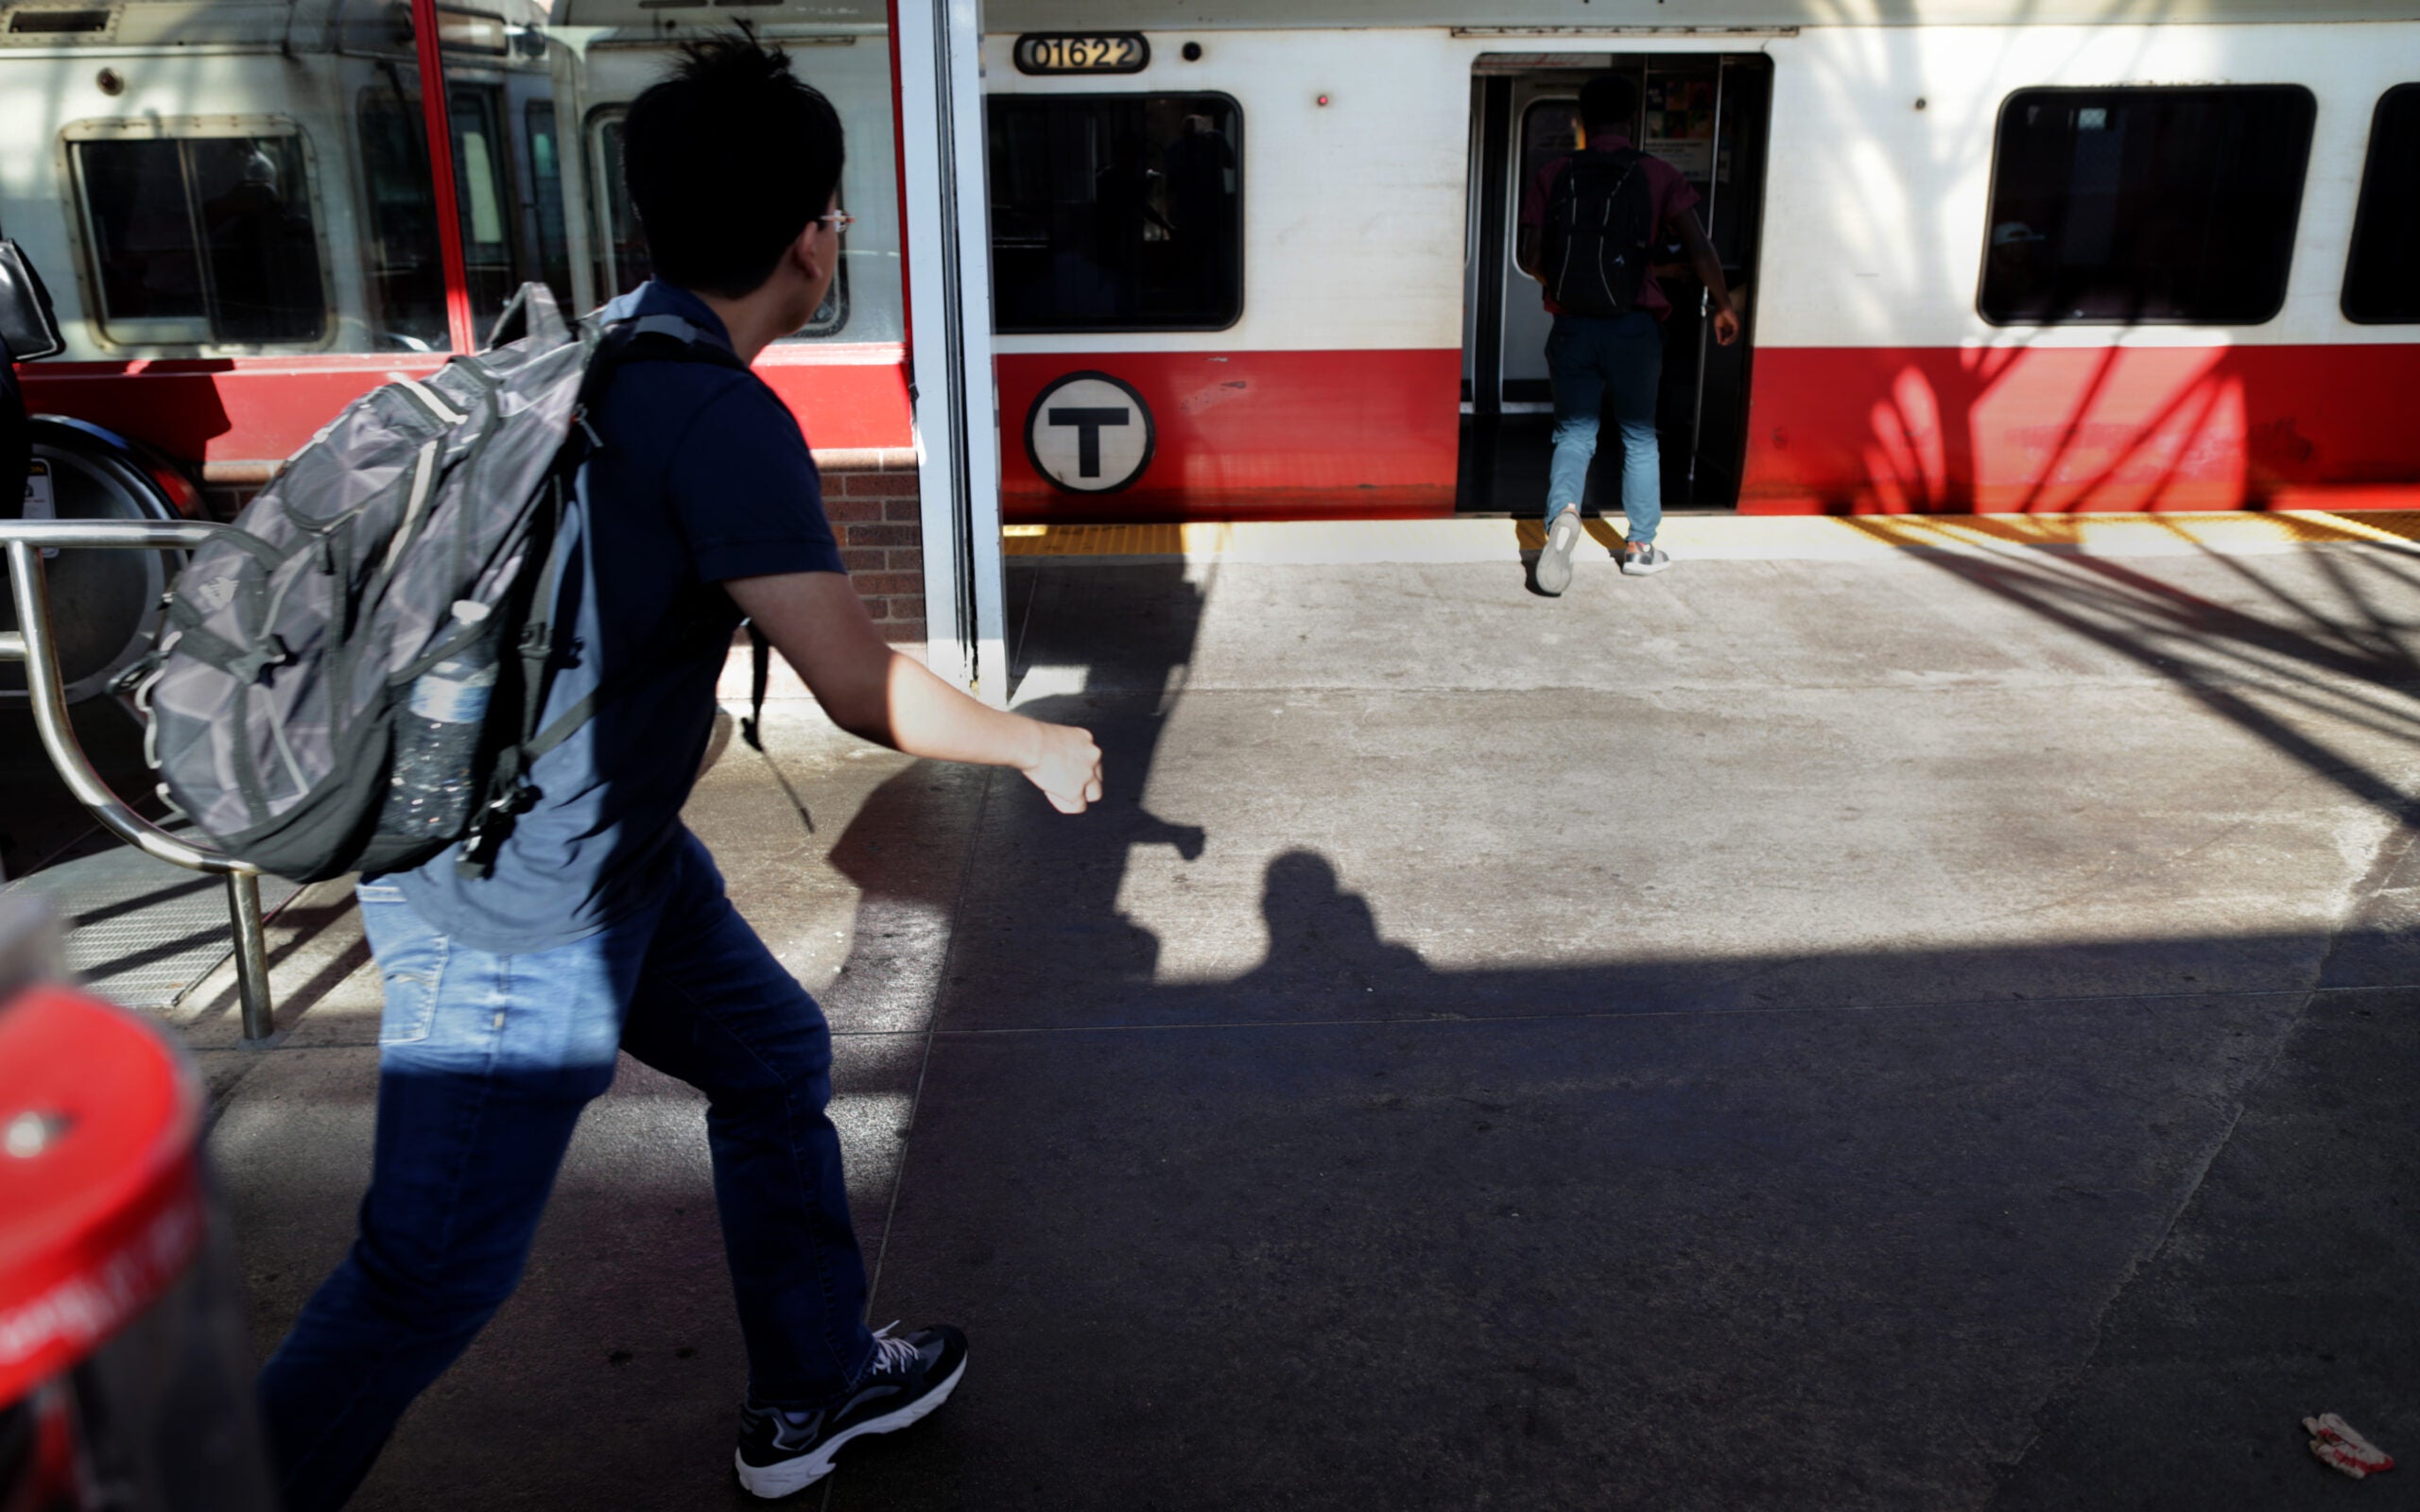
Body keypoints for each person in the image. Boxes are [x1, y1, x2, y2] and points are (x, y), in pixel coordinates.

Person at [254, 37, 1104, 1510]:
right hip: (519, 913)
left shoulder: (601, 345)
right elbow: (858, 686)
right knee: (424, 1278)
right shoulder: (719, 416)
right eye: (833, 213)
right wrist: (1034, 739)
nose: (836, 236)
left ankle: (814, 1386)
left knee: (774, 1058)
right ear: (807, 238)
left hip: (604, 856)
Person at [1516, 74, 1741, 594]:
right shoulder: (1658, 174)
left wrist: (1570, 291)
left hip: (1572, 326)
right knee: (1639, 436)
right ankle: (1640, 547)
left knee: (1574, 434)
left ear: (1581, 117)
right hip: (1635, 329)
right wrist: (1723, 305)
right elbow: (1699, 246)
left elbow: (1530, 259)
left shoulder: (1554, 172)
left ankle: (1565, 515)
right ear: (1633, 119)